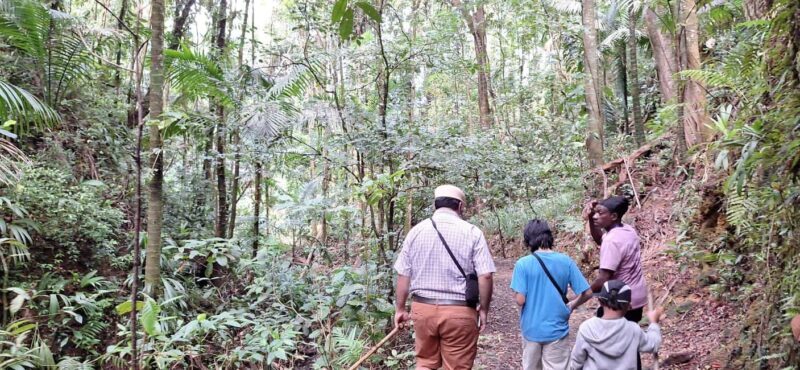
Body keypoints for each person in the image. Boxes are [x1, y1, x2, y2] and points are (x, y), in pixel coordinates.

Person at [393, 184, 496, 370]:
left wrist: (400, 308)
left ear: (435, 205)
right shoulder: (472, 232)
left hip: (423, 310)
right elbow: (486, 275)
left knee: (425, 363)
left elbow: (403, 274)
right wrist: (484, 310)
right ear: (460, 206)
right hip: (460, 312)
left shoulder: (415, 232)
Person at [510, 219, 593, 370]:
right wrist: (572, 305)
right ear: (549, 237)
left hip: (531, 329)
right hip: (557, 329)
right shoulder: (565, 261)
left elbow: (520, 300)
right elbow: (587, 292)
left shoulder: (522, 264)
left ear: (528, 239)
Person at [569, 280, 663, 370]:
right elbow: (653, 344)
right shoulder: (632, 330)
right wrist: (654, 323)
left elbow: (576, 363)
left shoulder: (586, 328)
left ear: (600, 301)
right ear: (629, 307)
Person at [584, 196, 648, 323]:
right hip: (637, 296)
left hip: (620, 301)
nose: (596, 216)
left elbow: (603, 279)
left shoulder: (612, 240)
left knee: (608, 339)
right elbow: (599, 240)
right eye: (595, 213)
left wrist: (580, 297)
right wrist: (590, 218)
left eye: (600, 213)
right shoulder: (627, 230)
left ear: (613, 216)